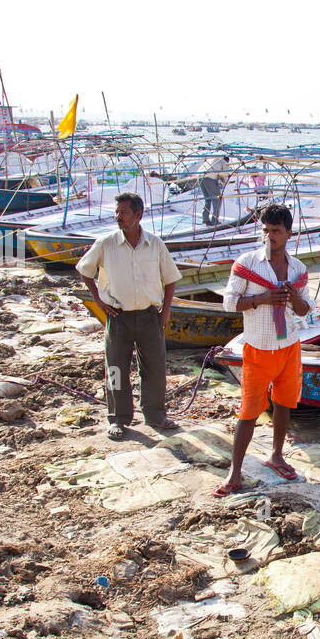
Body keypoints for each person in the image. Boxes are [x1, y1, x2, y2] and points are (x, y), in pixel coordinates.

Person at [217, 204, 315, 497]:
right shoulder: (247, 263)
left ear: (288, 234)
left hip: (288, 346)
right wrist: (263, 298)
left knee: (284, 403)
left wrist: (292, 296)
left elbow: (303, 311)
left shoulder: (298, 269)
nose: (270, 237)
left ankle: (276, 454)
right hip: (258, 347)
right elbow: (229, 303)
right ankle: (234, 473)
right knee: (248, 411)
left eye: (276, 232)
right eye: (266, 231)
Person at [76, 192, 181, 440]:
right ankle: (118, 418)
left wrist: (165, 312)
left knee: (154, 368)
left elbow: (171, 279)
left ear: (138, 215)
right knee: (116, 368)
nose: (118, 217)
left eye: (123, 212)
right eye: (117, 212)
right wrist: (98, 300)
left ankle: (155, 414)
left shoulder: (154, 244)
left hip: (149, 316)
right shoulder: (106, 243)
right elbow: (85, 270)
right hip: (118, 316)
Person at [199, 154, 231, 225]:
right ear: (227, 160)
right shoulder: (223, 161)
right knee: (217, 199)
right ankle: (215, 220)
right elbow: (226, 174)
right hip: (210, 178)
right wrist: (225, 183)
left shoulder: (212, 159)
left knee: (208, 199)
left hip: (200, 177)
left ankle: (205, 219)